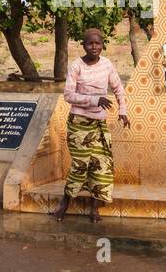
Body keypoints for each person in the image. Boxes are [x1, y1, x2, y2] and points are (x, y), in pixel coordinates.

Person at [54, 27, 129, 223]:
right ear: (84, 45)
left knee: (101, 166)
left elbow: (118, 88)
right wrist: (95, 100)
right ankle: (65, 202)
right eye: (90, 43)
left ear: (102, 45)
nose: (94, 47)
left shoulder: (107, 65)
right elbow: (68, 95)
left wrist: (123, 110)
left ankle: (94, 208)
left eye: (98, 43)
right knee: (80, 166)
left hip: (99, 125)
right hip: (79, 124)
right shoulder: (76, 66)